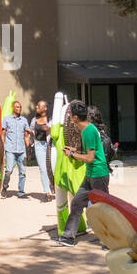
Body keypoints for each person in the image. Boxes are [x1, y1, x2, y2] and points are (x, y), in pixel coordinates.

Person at [57, 101, 110, 245]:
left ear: (75, 118)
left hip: (98, 174)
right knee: (77, 203)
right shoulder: (88, 129)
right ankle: (68, 237)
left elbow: (90, 158)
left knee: (103, 208)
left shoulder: (88, 131)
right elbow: (89, 153)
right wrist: (74, 150)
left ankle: (110, 239)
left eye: (70, 116)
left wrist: (72, 155)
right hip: (91, 174)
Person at [1, 98, 30, 196]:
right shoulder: (7, 119)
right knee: (8, 171)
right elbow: (3, 134)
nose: (19, 108)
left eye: (20, 107)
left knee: (23, 172)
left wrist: (28, 149)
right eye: (17, 107)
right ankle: (4, 188)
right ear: (13, 108)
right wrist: (2, 148)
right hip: (10, 149)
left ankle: (21, 191)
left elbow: (26, 135)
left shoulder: (24, 120)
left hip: (21, 150)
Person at [30, 100, 53, 201]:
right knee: (43, 169)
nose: (36, 107)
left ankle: (52, 185)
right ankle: (47, 192)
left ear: (45, 108)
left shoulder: (51, 119)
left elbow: (54, 130)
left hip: (50, 146)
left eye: (38, 106)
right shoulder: (34, 120)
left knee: (52, 168)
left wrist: (49, 128)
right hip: (39, 145)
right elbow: (31, 131)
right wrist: (30, 139)